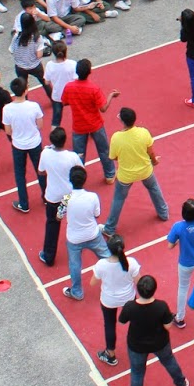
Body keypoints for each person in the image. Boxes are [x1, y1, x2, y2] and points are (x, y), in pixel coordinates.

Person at [119, 274, 191, 386]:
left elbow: (122, 320)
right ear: (154, 289)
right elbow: (168, 326)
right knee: (170, 362)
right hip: (160, 342)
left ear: (138, 290)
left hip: (137, 345)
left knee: (137, 373)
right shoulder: (161, 306)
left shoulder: (130, 306)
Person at [104, 107, 169, 234]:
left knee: (118, 199)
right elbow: (150, 151)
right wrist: (154, 162)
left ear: (122, 121)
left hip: (126, 175)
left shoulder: (116, 137)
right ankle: (164, 213)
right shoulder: (143, 132)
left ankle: (110, 228)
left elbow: (113, 157)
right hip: (145, 170)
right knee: (154, 189)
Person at [63, 58, 120, 182]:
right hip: (95, 124)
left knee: (78, 155)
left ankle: (77, 181)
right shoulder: (93, 88)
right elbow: (103, 108)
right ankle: (110, 175)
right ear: (89, 72)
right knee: (104, 150)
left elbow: (64, 101)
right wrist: (110, 96)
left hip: (79, 126)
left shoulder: (69, 87)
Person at [59, 165, 108, 299]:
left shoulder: (67, 198)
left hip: (74, 238)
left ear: (70, 180)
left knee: (75, 266)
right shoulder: (92, 196)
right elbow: (97, 214)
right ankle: (115, 279)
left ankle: (77, 292)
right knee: (107, 257)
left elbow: (58, 216)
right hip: (92, 234)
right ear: (85, 180)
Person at [93, 233, 141, 367]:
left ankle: (110, 354)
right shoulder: (131, 262)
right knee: (135, 321)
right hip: (128, 298)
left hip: (109, 300)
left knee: (109, 324)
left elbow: (92, 282)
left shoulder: (101, 265)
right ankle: (139, 344)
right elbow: (139, 282)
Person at [1, 77, 46, 213]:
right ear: (26, 90)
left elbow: (8, 130)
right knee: (41, 171)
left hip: (18, 144)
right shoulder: (34, 106)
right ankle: (46, 197)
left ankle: (24, 203)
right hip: (34, 143)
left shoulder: (7, 109)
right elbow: (40, 125)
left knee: (20, 174)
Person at [37, 127, 80, 267]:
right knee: (73, 218)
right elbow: (81, 172)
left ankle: (49, 256)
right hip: (68, 195)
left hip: (53, 196)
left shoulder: (45, 153)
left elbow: (41, 172)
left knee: (52, 224)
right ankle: (80, 241)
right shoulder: (72, 157)